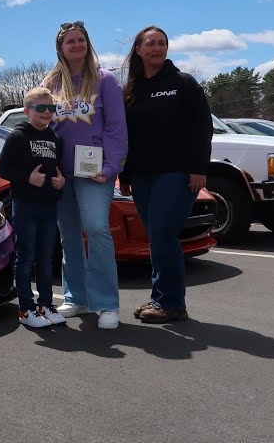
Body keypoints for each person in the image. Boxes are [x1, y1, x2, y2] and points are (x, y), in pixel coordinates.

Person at [119, 25, 213, 324]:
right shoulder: (131, 90)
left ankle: (171, 303)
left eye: (162, 43)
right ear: (138, 50)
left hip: (176, 173)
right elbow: (127, 137)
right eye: (151, 44)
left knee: (162, 235)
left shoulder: (182, 83)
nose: (157, 48)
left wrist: (198, 168)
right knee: (156, 238)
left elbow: (202, 127)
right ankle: (160, 297)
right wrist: (126, 175)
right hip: (142, 176)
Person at [41, 21, 127, 329]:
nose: (76, 45)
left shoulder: (105, 80)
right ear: (60, 48)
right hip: (60, 172)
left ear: (88, 44)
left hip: (95, 172)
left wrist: (110, 167)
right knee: (69, 234)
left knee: (96, 228)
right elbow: (42, 126)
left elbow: (116, 128)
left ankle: (107, 304)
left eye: (81, 40)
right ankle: (76, 298)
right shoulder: (51, 83)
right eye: (70, 41)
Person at [0, 86, 68, 328]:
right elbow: (2, 169)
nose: (47, 112)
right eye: (41, 108)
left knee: (46, 258)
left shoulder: (55, 139)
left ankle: (45, 305)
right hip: (26, 205)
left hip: (49, 205)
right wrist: (28, 178)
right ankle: (26, 309)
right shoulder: (17, 137)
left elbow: (59, 171)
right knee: (26, 257)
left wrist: (61, 183)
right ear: (27, 111)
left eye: (51, 108)